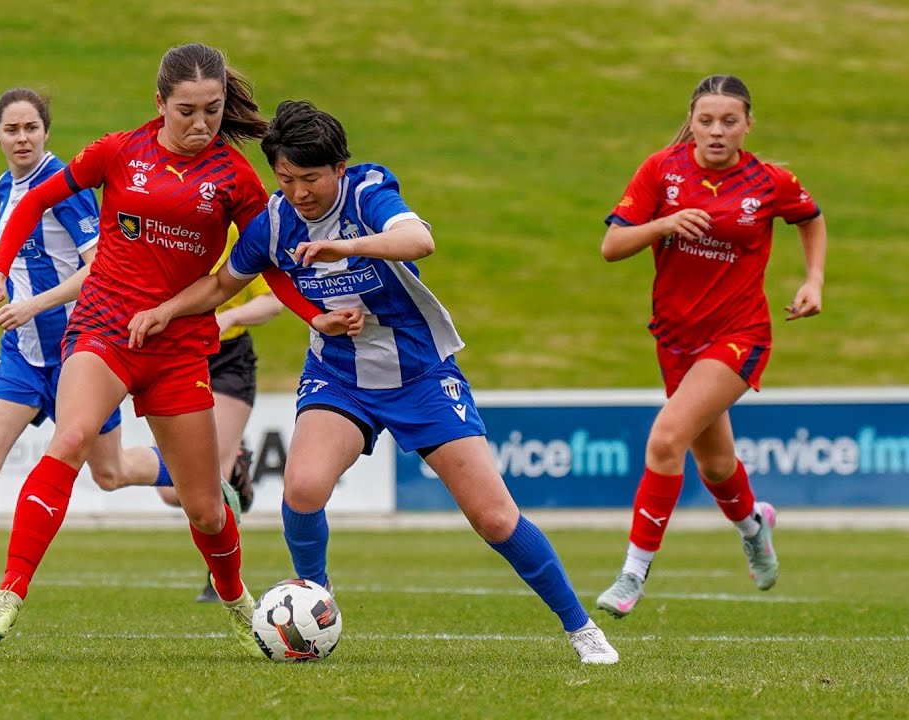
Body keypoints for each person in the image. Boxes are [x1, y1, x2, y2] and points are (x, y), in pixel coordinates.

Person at [128, 100, 620, 665]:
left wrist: (348, 246)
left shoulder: (367, 191)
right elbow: (220, 286)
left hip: (421, 374)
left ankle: (582, 629)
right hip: (338, 376)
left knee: (494, 517)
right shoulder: (274, 222)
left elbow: (418, 240)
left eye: (310, 178)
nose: (298, 192)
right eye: (285, 179)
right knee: (303, 487)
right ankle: (317, 608)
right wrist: (166, 311)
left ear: (339, 167)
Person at [0, 46, 360, 651]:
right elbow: (38, 201)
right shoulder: (120, 150)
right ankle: (10, 590)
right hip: (103, 326)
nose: (201, 124)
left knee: (203, 507)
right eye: (187, 111)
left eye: (213, 110)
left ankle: (234, 597)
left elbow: (268, 259)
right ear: (160, 104)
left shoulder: (234, 177)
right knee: (72, 439)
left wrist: (313, 315)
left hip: (178, 347)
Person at [0, 88, 201, 628]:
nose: (21, 138)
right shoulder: (3, 188)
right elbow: (12, 264)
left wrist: (31, 305)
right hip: (22, 353)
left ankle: (203, 477)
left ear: (46, 132)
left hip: (79, 351)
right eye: (12, 130)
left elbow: (98, 268)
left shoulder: (66, 188)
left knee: (108, 472)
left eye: (31, 128)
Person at [593, 74, 826, 618]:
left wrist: (814, 280)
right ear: (692, 123)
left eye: (729, 121)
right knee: (717, 463)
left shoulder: (771, 181)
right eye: (706, 120)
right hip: (675, 338)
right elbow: (611, 245)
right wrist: (664, 224)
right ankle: (754, 525)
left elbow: (810, 219)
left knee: (666, 437)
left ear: (747, 124)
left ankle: (632, 575)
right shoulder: (662, 170)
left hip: (740, 336)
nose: (717, 131)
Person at [159, 227, 283, 602]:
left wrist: (230, 318)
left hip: (229, 360)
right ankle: (237, 465)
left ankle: (222, 578)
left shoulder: (235, 234)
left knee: (214, 477)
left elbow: (273, 301)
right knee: (169, 491)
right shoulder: (163, 231)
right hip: (178, 355)